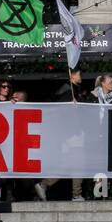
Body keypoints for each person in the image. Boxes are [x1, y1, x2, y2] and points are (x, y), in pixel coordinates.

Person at [37, 69, 85, 201]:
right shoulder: (69, 92)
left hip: (72, 132)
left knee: (71, 164)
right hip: (73, 133)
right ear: (72, 76)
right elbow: (65, 113)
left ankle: (45, 184)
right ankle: (75, 193)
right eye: (79, 74)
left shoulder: (70, 91)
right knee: (77, 163)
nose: (81, 76)